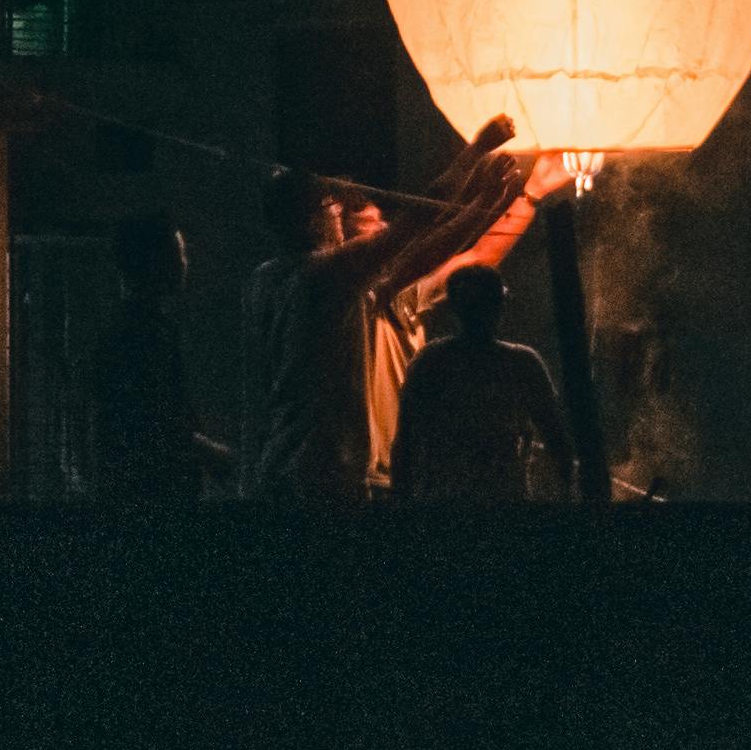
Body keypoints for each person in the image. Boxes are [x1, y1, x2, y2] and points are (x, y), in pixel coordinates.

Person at [244, 120, 524, 501]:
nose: (338, 212)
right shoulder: (331, 274)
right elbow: (422, 221)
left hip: (277, 464)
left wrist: (485, 204)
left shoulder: (265, 279)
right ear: (312, 217)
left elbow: (426, 251)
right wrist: (478, 149)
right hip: (323, 471)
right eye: (332, 206)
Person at [388, 263, 576, 503]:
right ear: (501, 304)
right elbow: (557, 441)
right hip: (503, 496)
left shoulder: (430, 362)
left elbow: (405, 445)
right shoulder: (522, 363)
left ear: (453, 306)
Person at [91, 216, 232, 507]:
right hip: (151, 496)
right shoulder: (142, 335)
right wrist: (209, 452)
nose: (184, 263)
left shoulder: (128, 328)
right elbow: (154, 421)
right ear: (153, 263)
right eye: (178, 253)